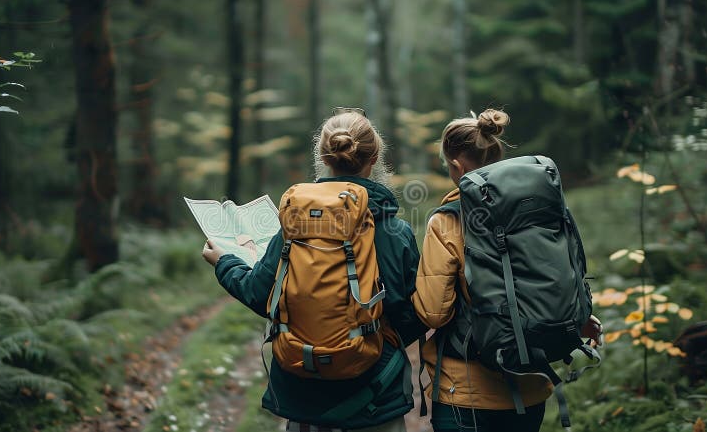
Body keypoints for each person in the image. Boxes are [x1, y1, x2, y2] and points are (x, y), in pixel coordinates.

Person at [202, 108, 426, 432]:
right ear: (374, 158)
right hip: (375, 397)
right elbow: (411, 315)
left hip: (303, 395)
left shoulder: (295, 226)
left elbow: (259, 294)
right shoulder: (394, 231)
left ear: (323, 156)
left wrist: (225, 262)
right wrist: (366, 341)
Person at [411, 108, 603, 432]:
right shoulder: (540, 208)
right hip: (530, 385)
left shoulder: (447, 220)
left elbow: (433, 313)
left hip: (465, 392)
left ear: (456, 166)